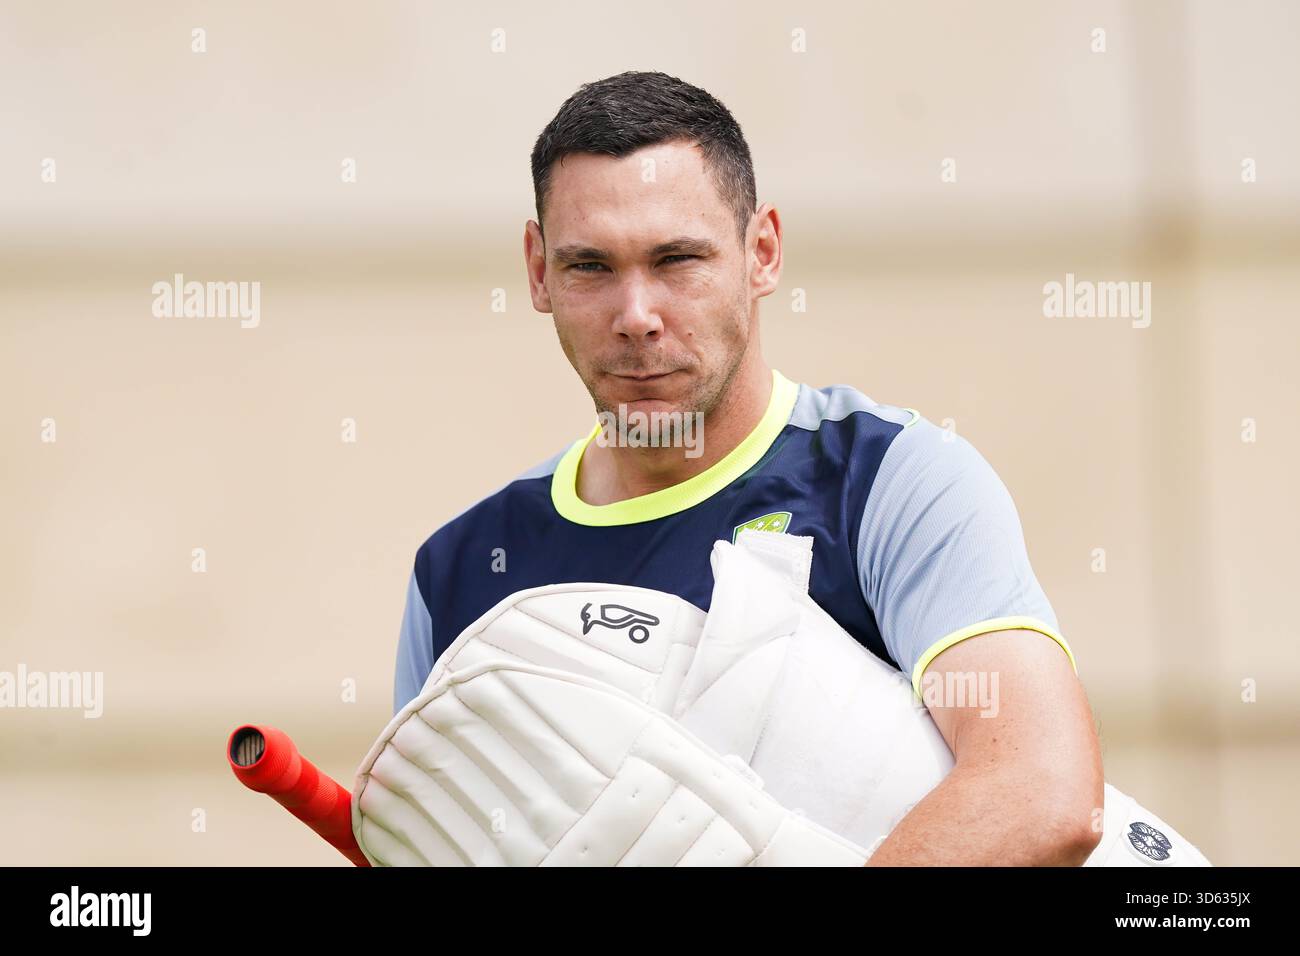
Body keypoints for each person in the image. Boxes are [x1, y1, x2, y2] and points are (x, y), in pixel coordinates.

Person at [392, 70, 1103, 866]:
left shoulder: (890, 480)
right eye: (590, 267)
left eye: (677, 259)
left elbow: (1043, 792)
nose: (637, 317)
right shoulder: (458, 573)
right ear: (536, 270)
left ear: (761, 252)